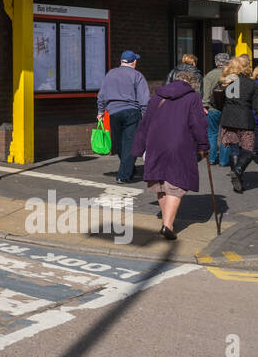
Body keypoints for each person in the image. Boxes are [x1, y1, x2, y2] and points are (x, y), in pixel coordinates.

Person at [131, 69, 208, 240]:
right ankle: (167, 225)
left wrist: (137, 149)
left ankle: (166, 222)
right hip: (180, 146)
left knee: (160, 183)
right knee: (176, 184)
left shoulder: (157, 97)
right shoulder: (193, 97)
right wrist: (203, 145)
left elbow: (145, 124)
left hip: (155, 144)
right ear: (193, 85)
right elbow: (198, 124)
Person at [212, 54, 258, 193]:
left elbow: (215, 101)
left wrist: (225, 108)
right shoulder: (250, 83)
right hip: (245, 120)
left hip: (228, 119)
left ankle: (237, 180)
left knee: (234, 149)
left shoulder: (224, 81)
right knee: (248, 150)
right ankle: (237, 172)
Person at [96, 50, 151, 183]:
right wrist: (145, 114)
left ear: (121, 61)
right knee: (130, 143)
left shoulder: (110, 74)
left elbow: (101, 94)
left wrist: (100, 111)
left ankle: (128, 168)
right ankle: (124, 174)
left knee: (119, 143)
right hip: (132, 111)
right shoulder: (137, 75)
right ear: (134, 62)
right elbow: (144, 98)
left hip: (113, 112)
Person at [201, 53, 232, 167]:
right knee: (226, 135)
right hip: (228, 109)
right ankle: (224, 161)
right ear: (228, 62)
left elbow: (206, 93)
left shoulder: (210, 75)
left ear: (216, 62)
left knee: (212, 135)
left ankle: (212, 159)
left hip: (212, 109)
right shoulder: (232, 75)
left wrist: (205, 106)